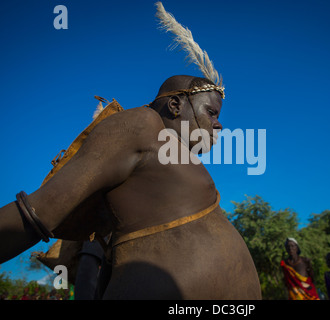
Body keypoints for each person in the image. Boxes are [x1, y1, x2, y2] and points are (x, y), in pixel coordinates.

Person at [0, 2, 261, 300]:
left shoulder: (170, 155)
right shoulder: (141, 124)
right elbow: (38, 213)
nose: (219, 126)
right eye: (211, 113)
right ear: (176, 105)